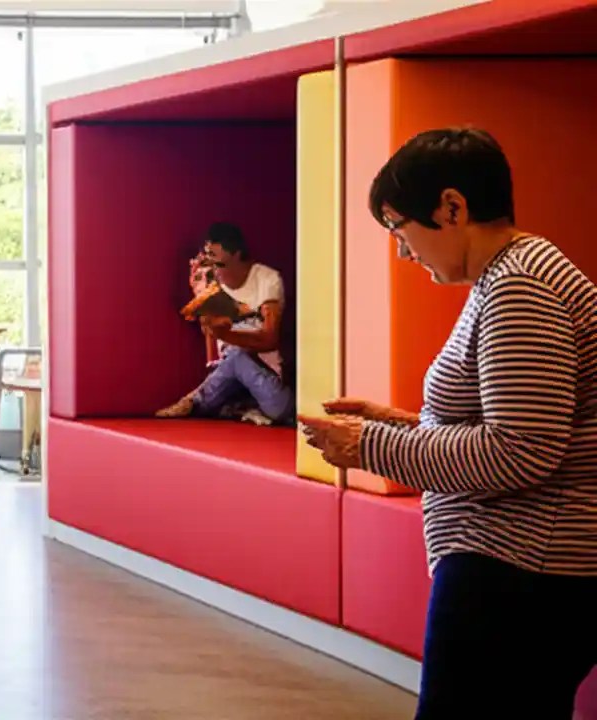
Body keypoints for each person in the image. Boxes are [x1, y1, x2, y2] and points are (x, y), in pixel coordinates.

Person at [299, 127, 597, 719]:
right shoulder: (511, 276)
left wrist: (372, 445)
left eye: (400, 229)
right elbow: (514, 424)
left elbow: (522, 451)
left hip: (523, 575)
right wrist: (405, 424)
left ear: (452, 207)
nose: (403, 252)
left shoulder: (521, 285)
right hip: (524, 572)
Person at [155, 222, 292, 425]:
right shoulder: (213, 286)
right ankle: (226, 405)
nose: (216, 271)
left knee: (237, 355)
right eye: (211, 263)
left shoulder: (265, 279)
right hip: (230, 388)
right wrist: (201, 301)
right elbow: (214, 359)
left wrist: (227, 335)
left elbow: (270, 338)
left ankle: (193, 401)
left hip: (269, 389)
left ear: (237, 255)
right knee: (230, 359)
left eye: (220, 265)